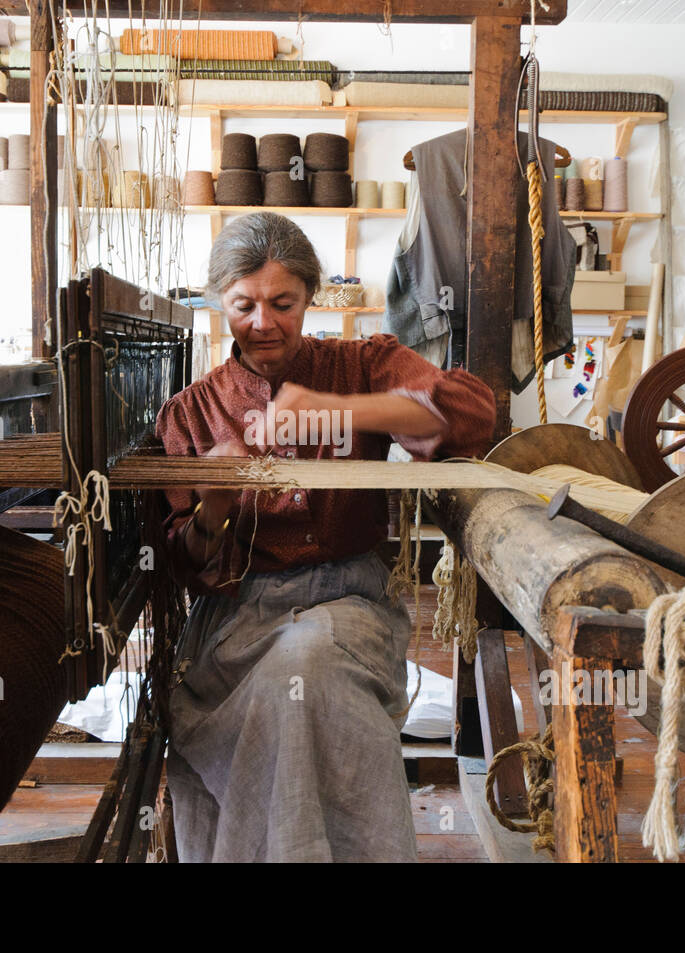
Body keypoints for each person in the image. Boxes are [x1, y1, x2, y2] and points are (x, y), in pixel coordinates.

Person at [155, 211, 495, 862]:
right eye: (244, 304)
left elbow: (471, 414)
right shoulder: (192, 411)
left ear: (311, 296)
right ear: (217, 303)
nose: (264, 322)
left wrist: (339, 410)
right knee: (294, 680)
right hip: (237, 619)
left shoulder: (362, 364)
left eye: (283, 303)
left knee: (309, 667)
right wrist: (215, 505)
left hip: (350, 602)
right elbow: (184, 561)